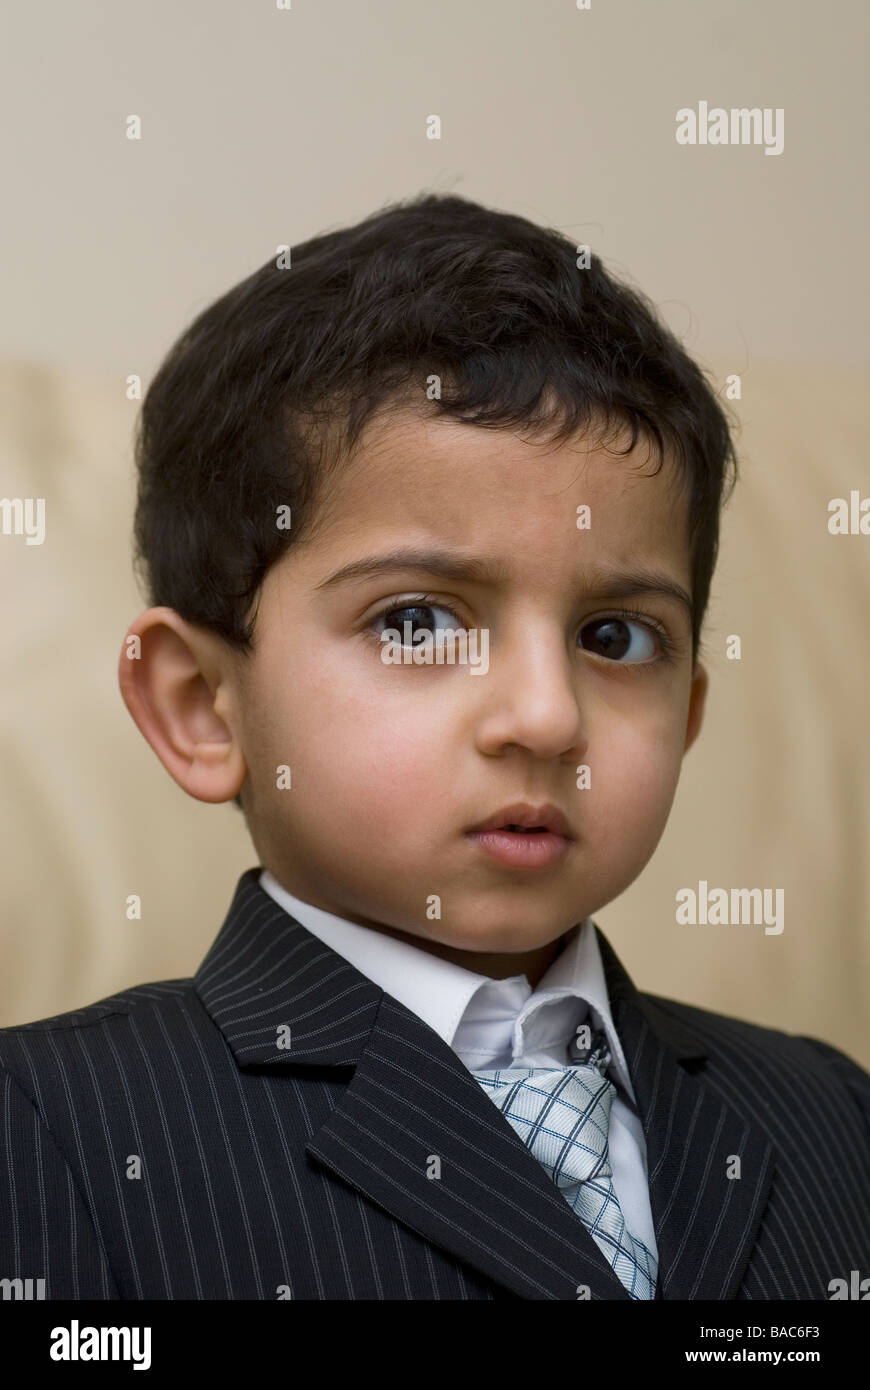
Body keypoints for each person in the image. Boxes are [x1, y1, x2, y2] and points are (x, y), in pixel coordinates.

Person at [1, 194, 867, 1301]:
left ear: (690, 711)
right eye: (418, 622)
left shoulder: (832, 1114)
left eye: (616, 636)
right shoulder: (50, 1126)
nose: (547, 717)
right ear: (205, 708)